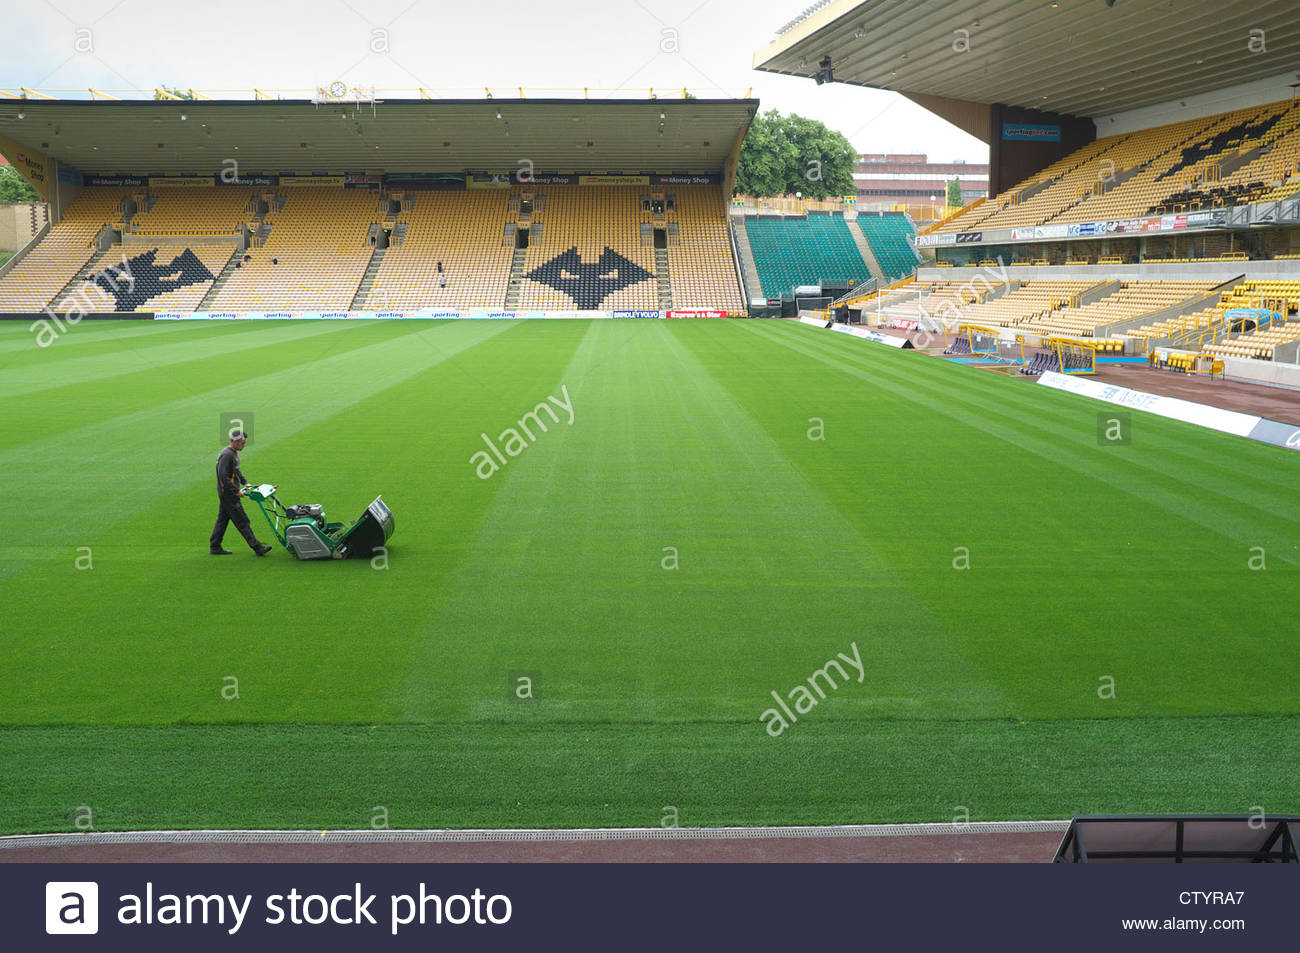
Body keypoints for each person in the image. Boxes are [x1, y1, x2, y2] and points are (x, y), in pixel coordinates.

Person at [210, 431, 272, 556]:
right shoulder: (227, 455)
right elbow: (223, 476)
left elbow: (236, 471)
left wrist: (245, 483)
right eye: (242, 443)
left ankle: (215, 546)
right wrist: (236, 490)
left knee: (222, 520)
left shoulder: (233, 454)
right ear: (235, 441)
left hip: (228, 493)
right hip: (228, 494)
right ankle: (257, 547)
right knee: (242, 521)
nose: (244, 445)